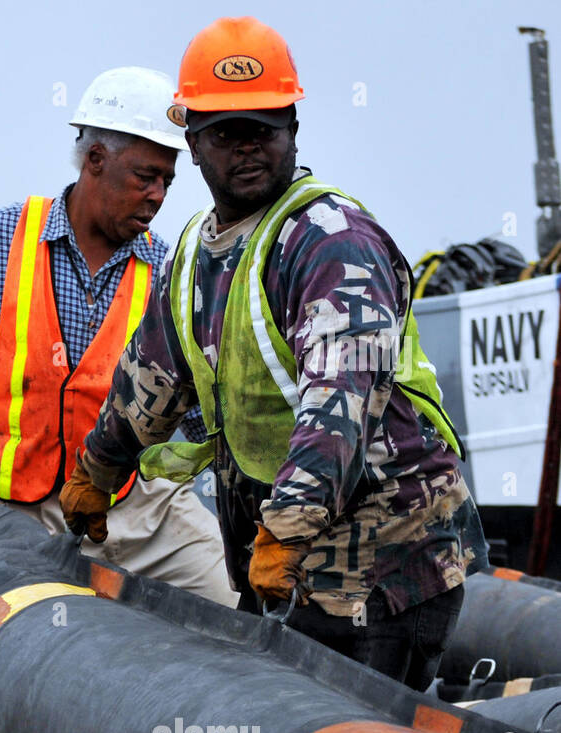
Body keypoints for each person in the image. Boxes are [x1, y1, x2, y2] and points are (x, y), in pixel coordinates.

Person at [60, 17, 488, 689]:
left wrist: (287, 529)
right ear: (194, 144)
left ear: (293, 126)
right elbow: (152, 380)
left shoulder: (330, 242)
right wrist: (99, 469)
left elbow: (340, 399)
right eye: (227, 133)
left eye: (265, 128)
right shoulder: (195, 258)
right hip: (288, 556)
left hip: (383, 559)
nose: (248, 148)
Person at [0, 68, 235, 605]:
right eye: (144, 177)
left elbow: (197, 404)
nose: (156, 196)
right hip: (19, 515)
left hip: (141, 510)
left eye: (167, 182)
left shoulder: (168, 272)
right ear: (95, 161)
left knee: (242, 608)